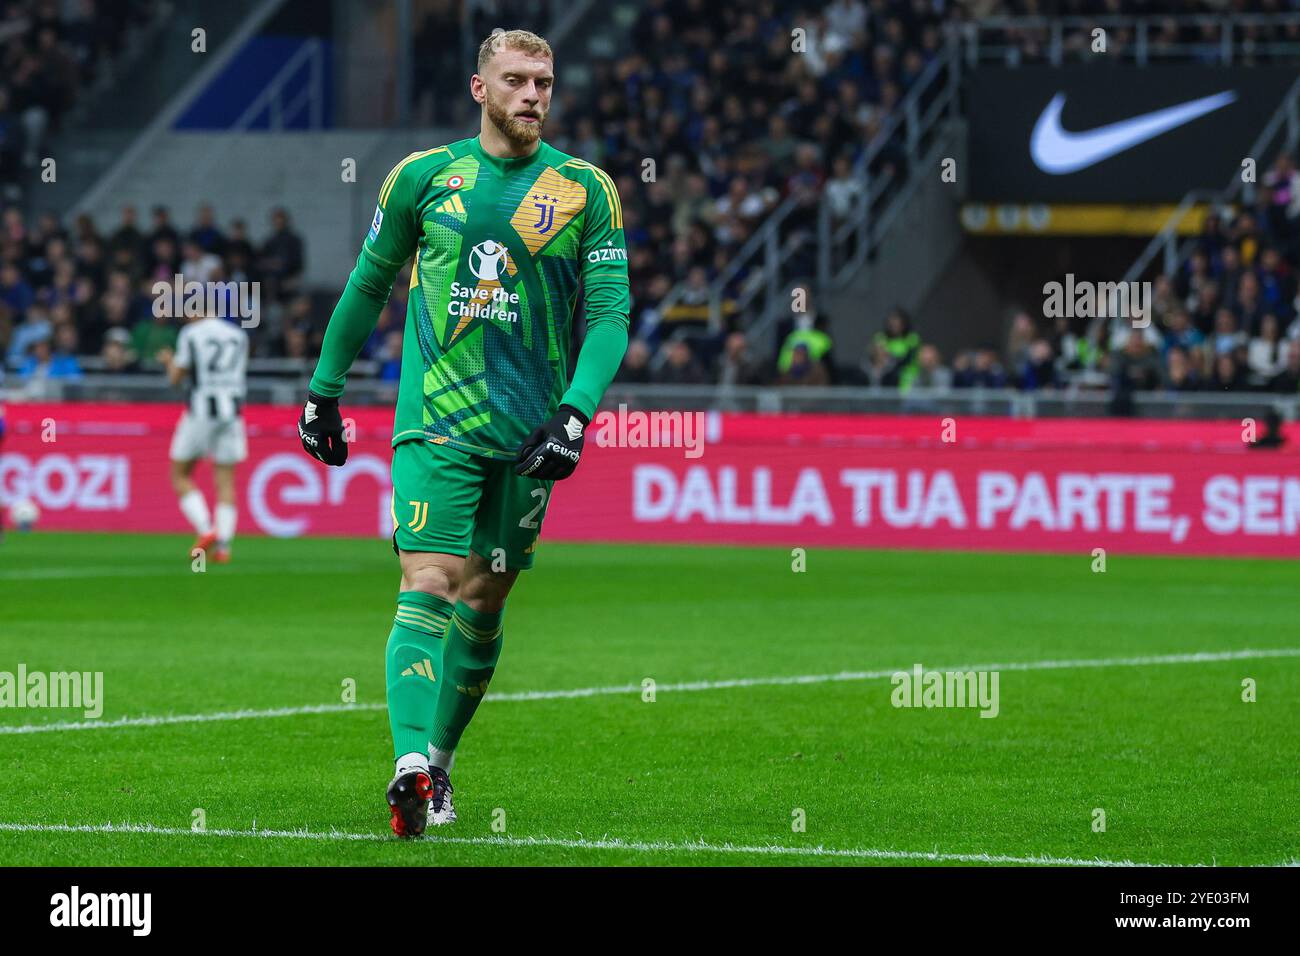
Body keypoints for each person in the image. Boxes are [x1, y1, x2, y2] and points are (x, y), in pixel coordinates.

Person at [297, 29, 629, 838]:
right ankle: (409, 764)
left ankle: (438, 765)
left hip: (532, 435)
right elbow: (370, 282)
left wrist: (576, 414)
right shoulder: (423, 177)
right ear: (479, 88)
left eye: (543, 82)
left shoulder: (586, 189)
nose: (532, 96)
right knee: (432, 580)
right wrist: (323, 393)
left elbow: (612, 313)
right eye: (515, 80)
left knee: (486, 598)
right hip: (436, 422)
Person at [164, 312, 249, 563]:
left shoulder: (191, 334)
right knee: (225, 481)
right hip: (232, 412)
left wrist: (169, 361)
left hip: (200, 412)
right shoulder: (239, 335)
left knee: (180, 475)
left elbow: (175, 379)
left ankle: (206, 530)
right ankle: (223, 546)